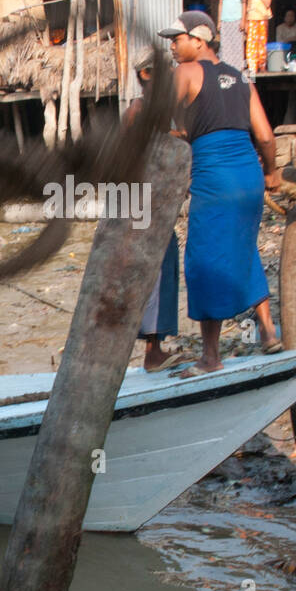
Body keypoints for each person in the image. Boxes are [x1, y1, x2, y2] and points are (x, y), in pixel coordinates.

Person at [158, 11, 282, 374]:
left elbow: (159, 118)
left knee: (203, 261)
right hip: (248, 175)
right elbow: (265, 136)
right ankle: (269, 332)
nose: (172, 48)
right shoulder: (242, 77)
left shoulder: (186, 72)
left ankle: (210, 357)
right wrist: (272, 173)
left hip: (216, 177)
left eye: (177, 40)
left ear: (199, 40)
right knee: (243, 247)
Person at [124, 50, 184, 370]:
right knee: (157, 266)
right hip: (143, 201)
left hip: (150, 199)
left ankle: (154, 346)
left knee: (163, 262)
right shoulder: (140, 108)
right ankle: (152, 352)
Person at [214, 0, 248, 71]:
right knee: (225, 44)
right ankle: (226, 68)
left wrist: (243, 20)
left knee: (237, 44)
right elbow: (220, 3)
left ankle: (238, 69)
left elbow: (244, 3)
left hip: (237, 19)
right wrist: (219, 21)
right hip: (225, 19)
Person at [242, 0, 274, 75]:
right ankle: (252, 68)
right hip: (252, 19)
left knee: (261, 43)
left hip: (263, 19)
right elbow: (248, 6)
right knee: (251, 43)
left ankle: (262, 66)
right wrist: (245, 21)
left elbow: (267, 4)